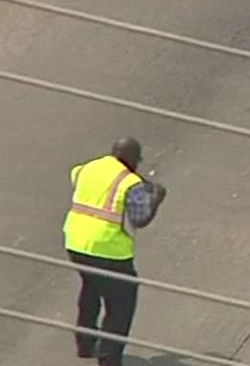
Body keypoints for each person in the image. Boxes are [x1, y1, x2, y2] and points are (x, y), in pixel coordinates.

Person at [63, 138, 167, 366]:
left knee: (91, 286)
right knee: (121, 308)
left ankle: (85, 342)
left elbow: (82, 178)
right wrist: (156, 198)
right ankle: (109, 360)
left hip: (76, 243)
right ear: (132, 159)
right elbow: (141, 218)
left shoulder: (87, 168)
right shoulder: (130, 183)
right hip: (109, 252)